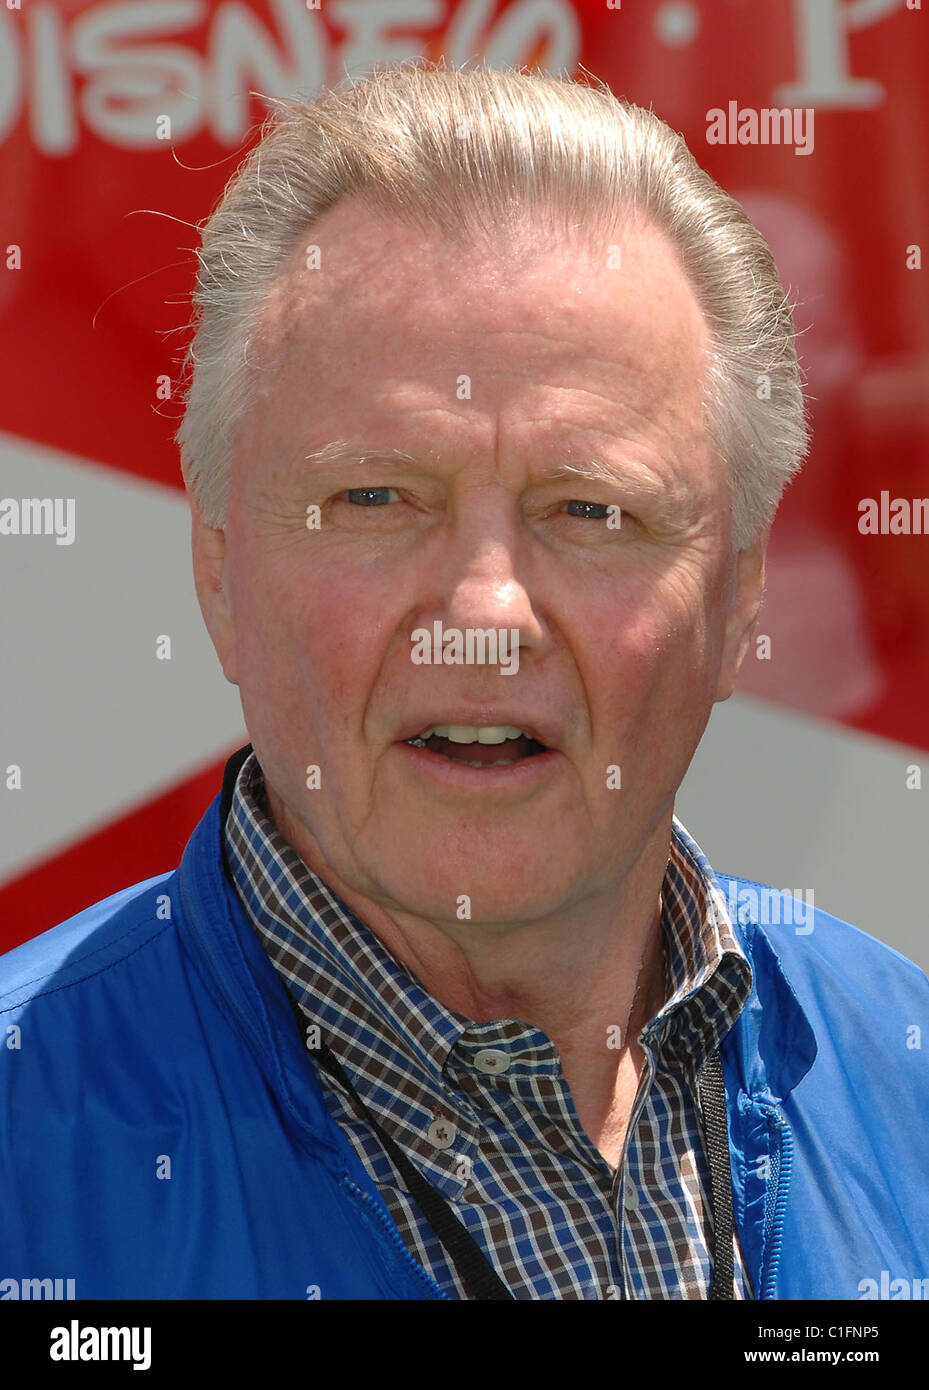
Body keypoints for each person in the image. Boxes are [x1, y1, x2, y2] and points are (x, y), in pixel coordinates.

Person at [1, 60, 926, 1303]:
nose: (485, 614)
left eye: (590, 508)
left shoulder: (903, 1077)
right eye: (374, 498)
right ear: (217, 575)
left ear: (734, 598)